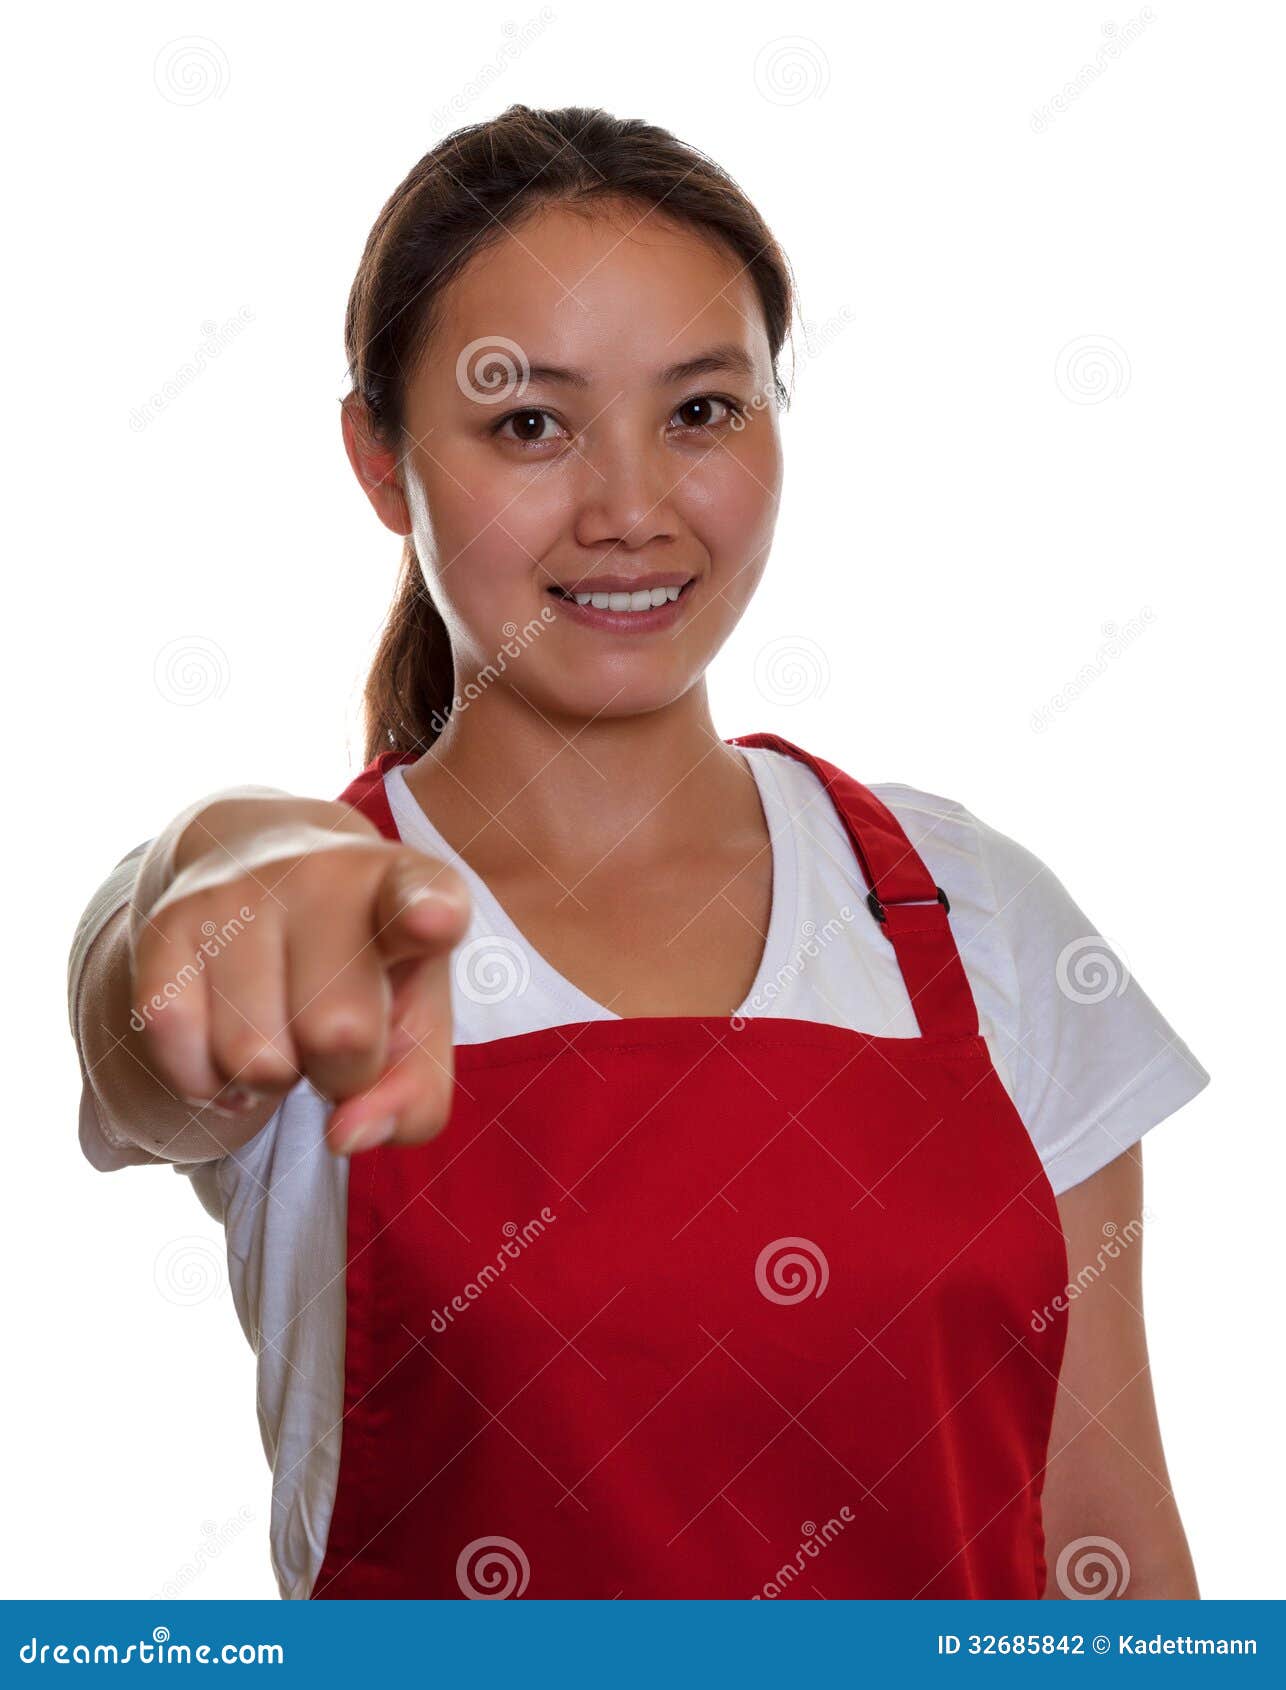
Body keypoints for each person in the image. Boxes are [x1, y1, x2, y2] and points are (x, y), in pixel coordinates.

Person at [67, 104, 1210, 1602]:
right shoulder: (303, 928)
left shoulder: (971, 912)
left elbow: (1113, 1561)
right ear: (378, 459)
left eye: (701, 411)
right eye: (528, 424)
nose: (629, 511)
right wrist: (203, 857)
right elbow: (147, 1008)